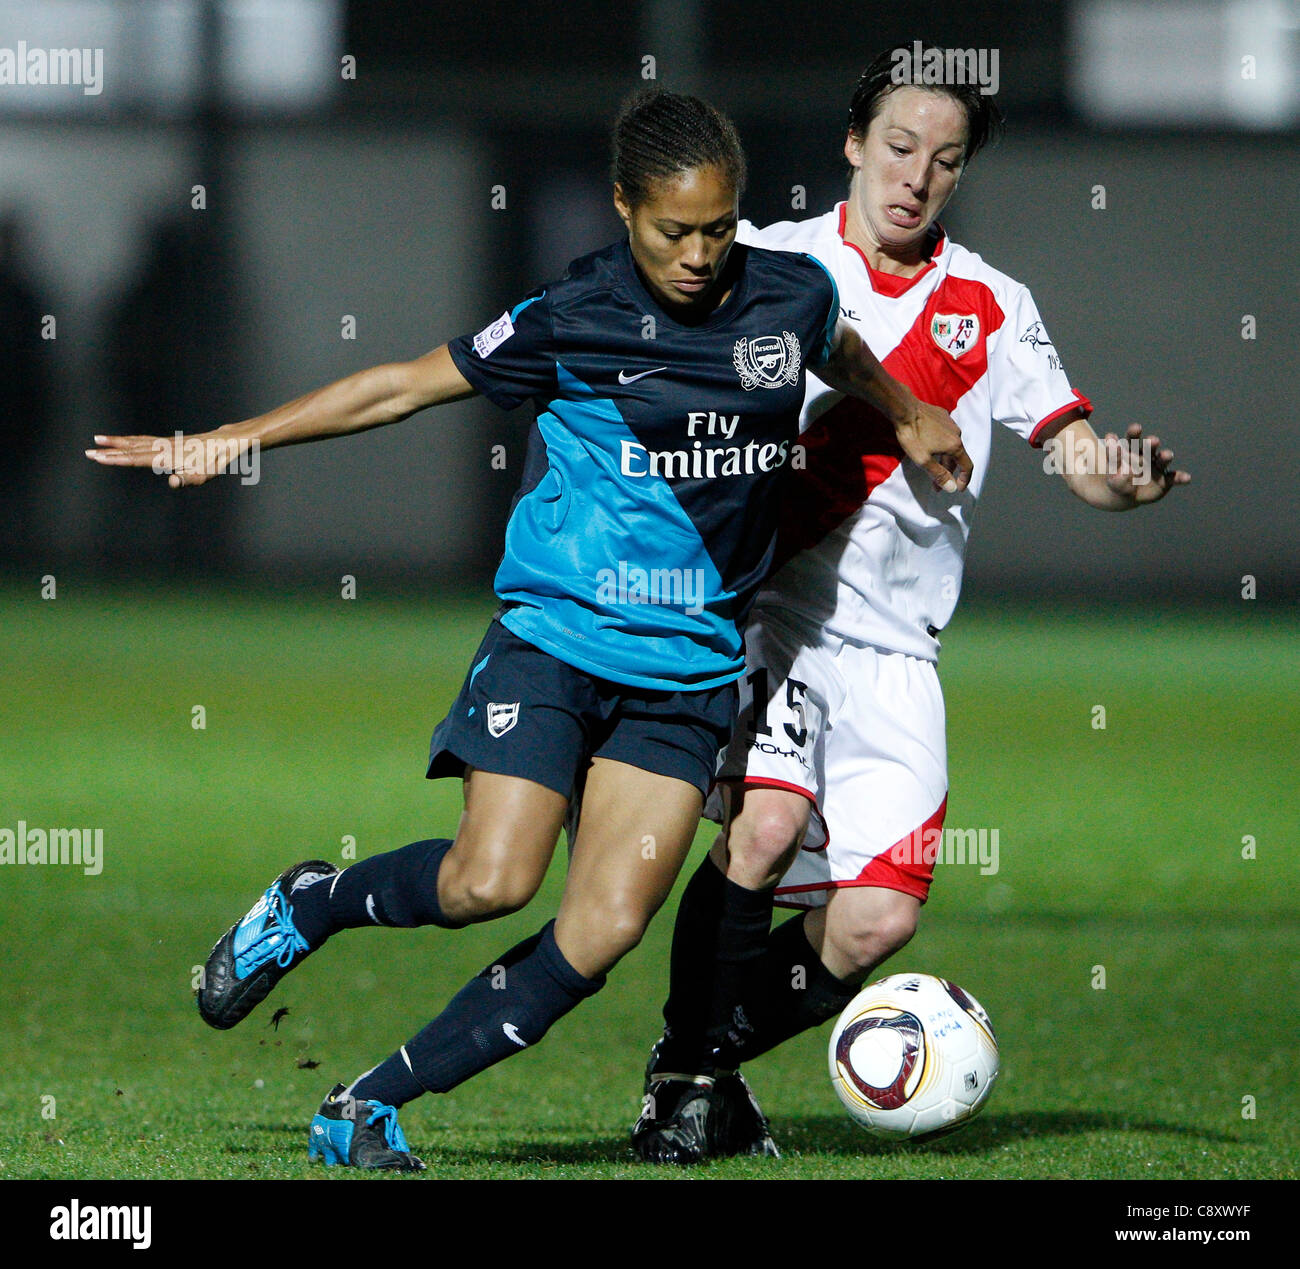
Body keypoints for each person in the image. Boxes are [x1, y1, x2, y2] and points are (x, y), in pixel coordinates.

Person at [86, 89, 970, 1171]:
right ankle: (314, 901)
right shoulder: (576, 313)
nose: (699, 255)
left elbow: (834, 346)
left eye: (717, 228)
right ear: (621, 208)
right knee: (488, 883)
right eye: (670, 231)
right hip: (555, 639)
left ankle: (365, 1106)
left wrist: (906, 409)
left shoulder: (786, 294)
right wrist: (234, 437)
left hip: (687, 675)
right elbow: (398, 388)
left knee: (601, 930)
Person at [631, 49, 1190, 1164]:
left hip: (898, 655)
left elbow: (1070, 450)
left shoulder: (991, 302)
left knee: (877, 919)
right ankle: (686, 1087)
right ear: (851, 144)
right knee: (765, 831)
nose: (915, 179)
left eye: (943, 162)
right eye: (896, 149)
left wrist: (1118, 476)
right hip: (774, 621)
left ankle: (698, 1061)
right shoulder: (772, 263)